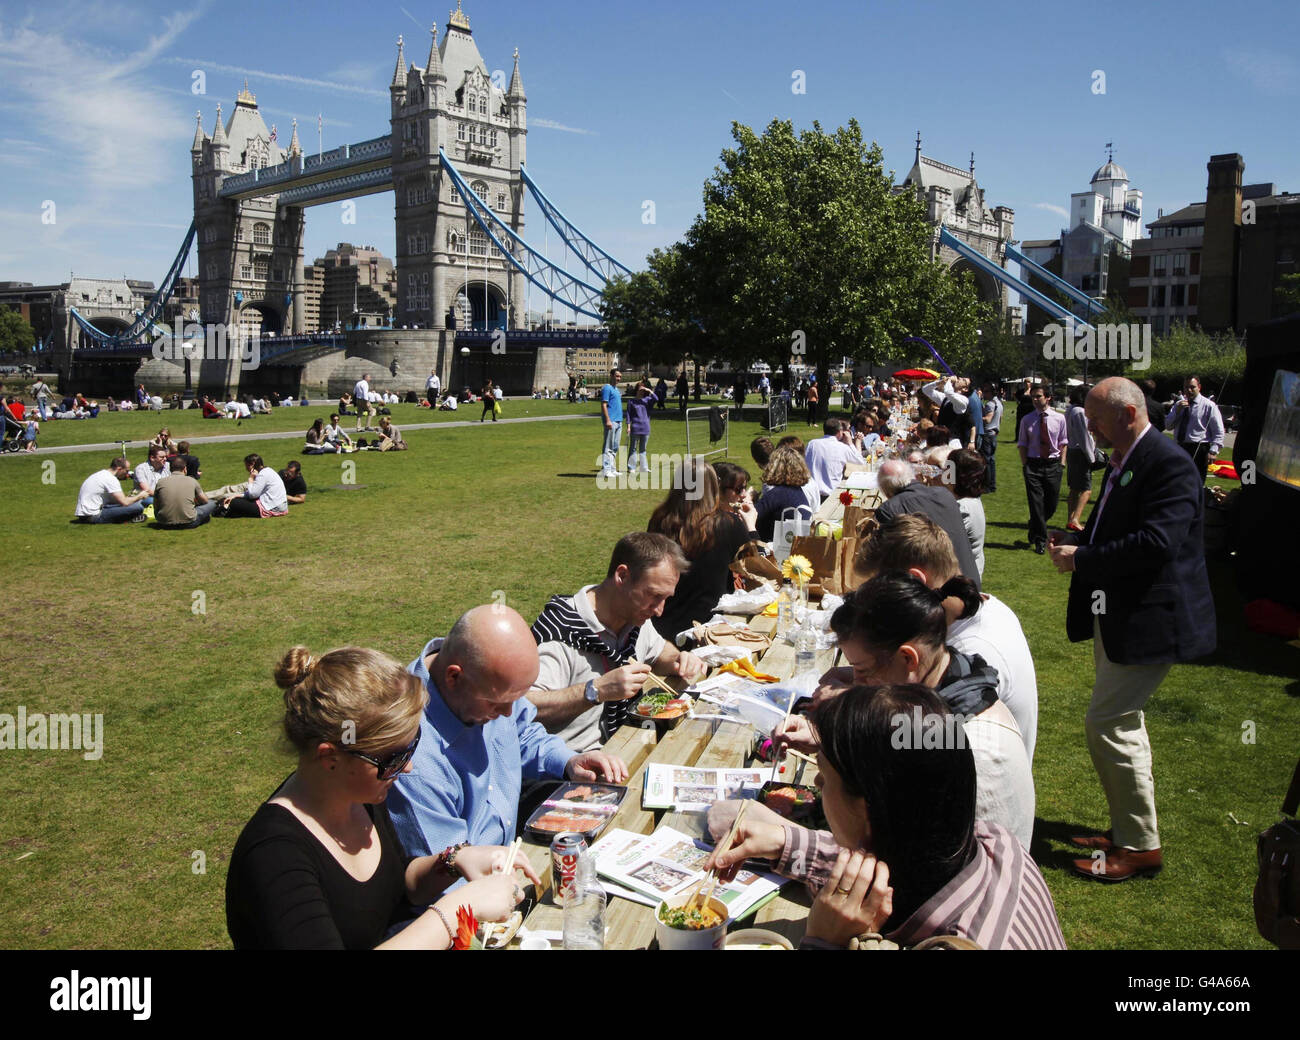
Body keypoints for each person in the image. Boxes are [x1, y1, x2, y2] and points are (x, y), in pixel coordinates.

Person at [706, 683, 1065, 949]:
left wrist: (823, 942)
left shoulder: (958, 944)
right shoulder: (993, 842)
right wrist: (784, 842)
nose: (816, 782)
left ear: (868, 807)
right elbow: (884, 866)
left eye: (824, 777)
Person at [225, 645, 535, 949]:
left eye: (412, 747)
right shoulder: (275, 858)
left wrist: (454, 859)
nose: (409, 767)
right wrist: (457, 910)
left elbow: (404, 888)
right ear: (330, 757)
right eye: (394, 758)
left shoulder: (358, 795)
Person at [1048, 377, 1216, 882]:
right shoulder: (1132, 456)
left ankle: (1140, 845)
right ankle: (1128, 831)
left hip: (1151, 619)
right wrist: (1082, 538)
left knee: (1110, 722)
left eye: (1096, 418)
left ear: (1127, 413)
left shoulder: (1167, 462)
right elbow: (1122, 526)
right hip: (1123, 614)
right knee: (1119, 724)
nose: (1089, 427)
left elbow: (1156, 544)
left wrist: (1084, 559)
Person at [783, 572, 1034, 850]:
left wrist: (784, 842)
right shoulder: (952, 682)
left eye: (863, 670)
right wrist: (829, 735)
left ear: (907, 658)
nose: (856, 683)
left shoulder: (954, 744)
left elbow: (898, 859)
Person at [386, 606, 628, 857]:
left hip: (512, 854)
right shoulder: (412, 758)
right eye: (498, 703)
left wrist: (569, 761)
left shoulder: (488, 686)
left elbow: (522, 734)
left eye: (517, 699)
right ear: (454, 677)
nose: (509, 713)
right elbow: (446, 873)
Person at [856, 512, 1038, 761]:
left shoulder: (972, 653)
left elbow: (919, 742)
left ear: (915, 581)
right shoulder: (986, 608)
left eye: (881, 599)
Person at [529, 532, 710, 753]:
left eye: (666, 599)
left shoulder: (634, 618)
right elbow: (525, 707)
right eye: (653, 595)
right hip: (569, 767)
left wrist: (679, 660)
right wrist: (595, 691)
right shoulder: (558, 631)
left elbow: (660, 653)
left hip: (629, 746)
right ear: (622, 576)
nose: (660, 611)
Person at [647, 460, 757, 639]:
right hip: (710, 625)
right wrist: (751, 527)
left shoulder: (660, 519)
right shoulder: (727, 523)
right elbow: (756, 567)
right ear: (713, 486)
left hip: (664, 620)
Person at [875, 459, 981, 588]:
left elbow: (895, 559)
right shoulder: (944, 494)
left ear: (886, 491)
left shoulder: (889, 510)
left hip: (942, 592)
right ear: (912, 476)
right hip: (970, 580)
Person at [1017, 384, 1067, 554]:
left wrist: (1062, 463)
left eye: (1038, 396)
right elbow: (1022, 444)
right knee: (1036, 503)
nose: (1035, 400)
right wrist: (1025, 465)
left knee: (1051, 504)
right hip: (1033, 465)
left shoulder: (1059, 418)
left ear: (1048, 398)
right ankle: (1040, 539)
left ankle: (1034, 525)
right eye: (1033, 397)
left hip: (1053, 464)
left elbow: (1063, 442)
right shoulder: (1027, 419)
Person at [1166, 375, 1225, 486]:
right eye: (1186, 387)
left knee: (1196, 483)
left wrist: (1213, 451)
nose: (1189, 390)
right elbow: (1168, 425)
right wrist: (1177, 411)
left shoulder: (1209, 406)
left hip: (1199, 448)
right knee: (1177, 481)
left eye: (1192, 387)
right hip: (1179, 446)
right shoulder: (1179, 405)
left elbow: (1218, 431)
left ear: (1199, 387)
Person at [754, 446, 815, 542]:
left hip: (772, 548)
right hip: (795, 545)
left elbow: (751, 516)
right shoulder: (799, 492)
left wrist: (749, 500)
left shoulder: (776, 495)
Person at [1064, 385, 1099, 532]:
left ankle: (1070, 518)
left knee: (1074, 488)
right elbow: (1084, 437)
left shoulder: (1070, 410)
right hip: (1080, 452)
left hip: (1072, 450)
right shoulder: (1079, 412)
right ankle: (1075, 519)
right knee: (1086, 489)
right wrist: (1092, 458)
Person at [947, 448, 987, 578]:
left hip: (961, 578)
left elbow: (940, 544)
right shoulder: (972, 500)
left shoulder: (963, 508)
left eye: (947, 468)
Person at [804, 419, 865, 501]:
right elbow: (860, 461)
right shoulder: (842, 448)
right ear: (840, 432)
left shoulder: (812, 444)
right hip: (831, 496)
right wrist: (851, 442)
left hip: (810, 494)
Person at [73, 457, 147, 523]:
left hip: (84, 514)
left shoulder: (101, 474)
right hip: (93, 516)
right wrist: (140, 496)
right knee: (138, 507)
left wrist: (130, 498)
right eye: (126, 471)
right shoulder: (111, 479)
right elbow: (125, 502)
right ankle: (129, 518)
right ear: (119, 469)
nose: (127, 474)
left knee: (132, 504)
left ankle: (129, 517)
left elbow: (115, 501)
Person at [154, 456, 219, 529]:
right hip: (189, 523)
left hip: (164, 523)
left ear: (170, 469)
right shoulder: (192, 480)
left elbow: (156, 505)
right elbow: (204, 501)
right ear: (185, 469)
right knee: (212, 503)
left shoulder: (160, 482)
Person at [219, 454, 288, 518]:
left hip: (272, 507)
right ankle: (230, 510)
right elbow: (253, 493)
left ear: (252, 464)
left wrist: (251, 479)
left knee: (234, 502)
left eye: (246, 465)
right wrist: (235, 495)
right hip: (280, 505)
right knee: (234, 500)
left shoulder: (262, 475)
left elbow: (253, 495)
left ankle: (225, 510)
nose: (246, 468)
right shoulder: (268, 470)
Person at [599, 368, 623, 478]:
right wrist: (608, 420)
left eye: (620, 377)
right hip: (611, 421)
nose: (619, 378)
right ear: (611, 376)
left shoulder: (617, 390)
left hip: (619, 421)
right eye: (617, 376)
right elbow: (604, 405)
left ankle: (612, 469)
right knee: (608, 446)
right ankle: (606, 469)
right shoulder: (607, 388)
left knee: (615, 446)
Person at [624, 380, 652, 473]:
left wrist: (649, 390)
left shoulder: (647, 400)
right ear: (636, 390)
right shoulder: (631, 401)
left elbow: (656, 398)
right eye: (640, 389)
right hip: (635, 428)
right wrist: (628, 426)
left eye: (643, 390)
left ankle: (643, 467)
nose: (642, 391)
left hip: (645, 428)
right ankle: (631, 467)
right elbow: (628, 415)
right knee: (633, 448)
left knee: (643, 449)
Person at [980, 382, 1002, 492]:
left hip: (988, 434)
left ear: (993, 392)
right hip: (994, 434)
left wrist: (978, 417)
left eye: (986, 391)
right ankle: (992, 485)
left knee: (986, 461)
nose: (984, 393)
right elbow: (1000, 418)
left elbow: (988, 419)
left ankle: (987, 486)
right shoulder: (999, 403)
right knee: (991, 461)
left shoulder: (990, 404)